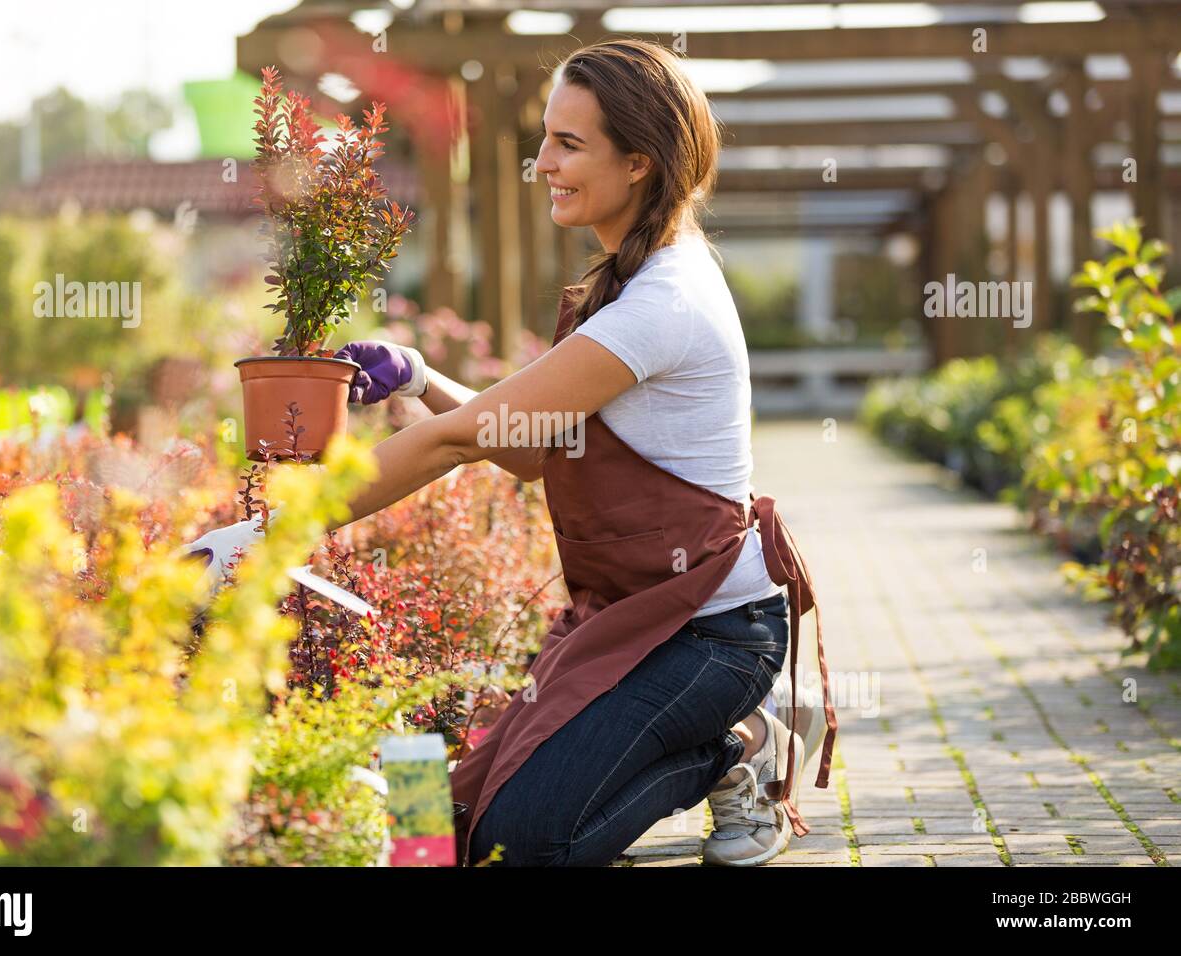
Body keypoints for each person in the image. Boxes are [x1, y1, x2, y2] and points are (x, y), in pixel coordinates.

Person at [186, 38, 834, 867]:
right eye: (544, 139)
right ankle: (698, 746)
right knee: (456, 822)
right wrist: (421, 377)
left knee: (526, 845)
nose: (541, 164)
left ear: (639, 162)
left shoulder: (664, 302)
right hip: (628, 617)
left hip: (716, 635)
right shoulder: (628, 285)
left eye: (568, 144)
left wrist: (274, 533)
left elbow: (463, 440)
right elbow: (528, 449)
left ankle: (739, 748)